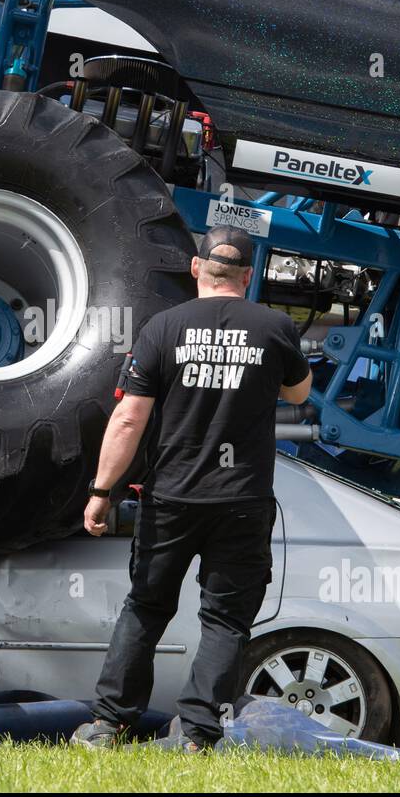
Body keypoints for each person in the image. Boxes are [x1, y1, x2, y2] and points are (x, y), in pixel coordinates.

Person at [70, 225, 313, 752]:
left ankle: (109, 726)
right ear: (248, 277)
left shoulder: (162, 327)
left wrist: (101, 489)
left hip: (172, 496)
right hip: (242, 501)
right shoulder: (274, 327)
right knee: (225, 619)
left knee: (146, 606)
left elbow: (129, 419)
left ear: (197, 268)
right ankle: (198, 735)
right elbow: (298, 391)